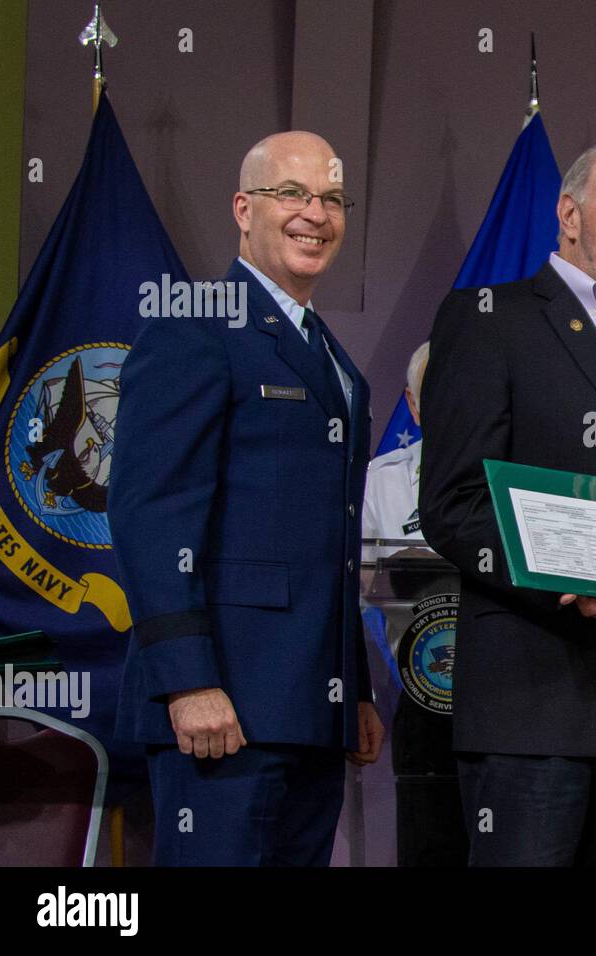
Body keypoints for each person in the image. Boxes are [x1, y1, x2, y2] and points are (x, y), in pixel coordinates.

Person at [417, 141, 596, 866]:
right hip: (537, 701)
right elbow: (454, 503)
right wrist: (570, 580)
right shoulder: (489, 320)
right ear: (569, 213)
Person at [109, 131, 384, 866]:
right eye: (291, 194)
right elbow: (150, 512)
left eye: (331, 199)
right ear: (243, 207)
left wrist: (351, 686)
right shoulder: (195, 323)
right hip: (224, 702)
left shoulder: (334, 360)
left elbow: (331, 543)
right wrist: (188, 682)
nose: (314, 214)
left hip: (309, 710)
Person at [362, 342, 429, 558]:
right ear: (413, 405)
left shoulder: (512, 478)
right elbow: (362, 585)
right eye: (438, 396)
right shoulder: (378, 482)